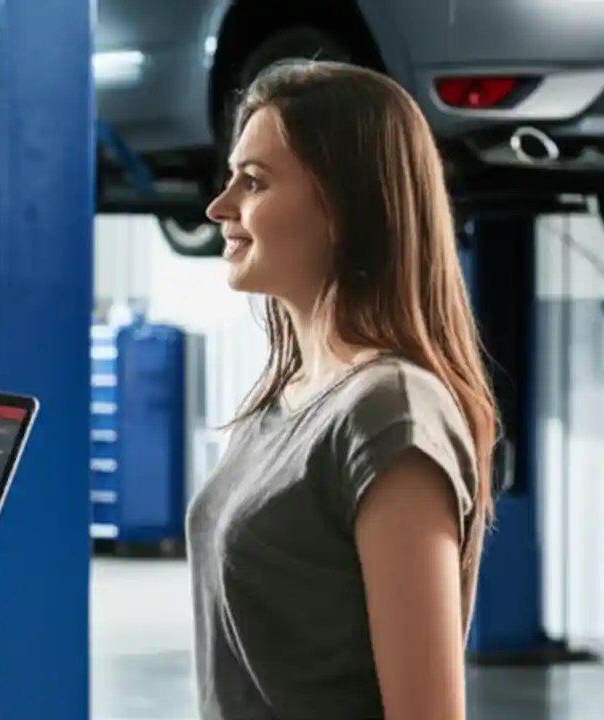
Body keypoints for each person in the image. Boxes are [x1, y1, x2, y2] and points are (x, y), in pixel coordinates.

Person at [187, 59, 499, 720]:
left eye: (255, 181)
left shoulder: (391, 412)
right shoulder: (282, 398)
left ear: (343, 205)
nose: (220, 208)